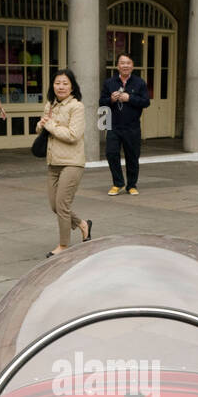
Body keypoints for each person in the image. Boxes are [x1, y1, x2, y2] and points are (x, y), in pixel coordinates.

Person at [35, 68, 91, 257]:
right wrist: (41, 124)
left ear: (72, 86)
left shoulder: (77, 107)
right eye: (57, 83)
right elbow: (41, 130)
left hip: (72, 162)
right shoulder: (50, 105)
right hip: (53, 162)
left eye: (65, 83)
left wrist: (51, 125)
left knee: (62, 204)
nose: (61, 87)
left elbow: (73, 135)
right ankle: (82, 224)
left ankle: (64, 246)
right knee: (55, 206)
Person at [99, 53, 150, 195]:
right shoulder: (109, 83)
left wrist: (130, 98)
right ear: (117, 66)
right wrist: (111, 99)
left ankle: (132, 185)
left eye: (128, 63)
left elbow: (146, 102)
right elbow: (101, 103)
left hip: (132, 126)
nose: (125, 65)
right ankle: (118, 183)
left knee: (132, 156)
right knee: (111, 153)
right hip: (113, 125)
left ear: (132, 66)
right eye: (122, 63)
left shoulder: (140, 83)